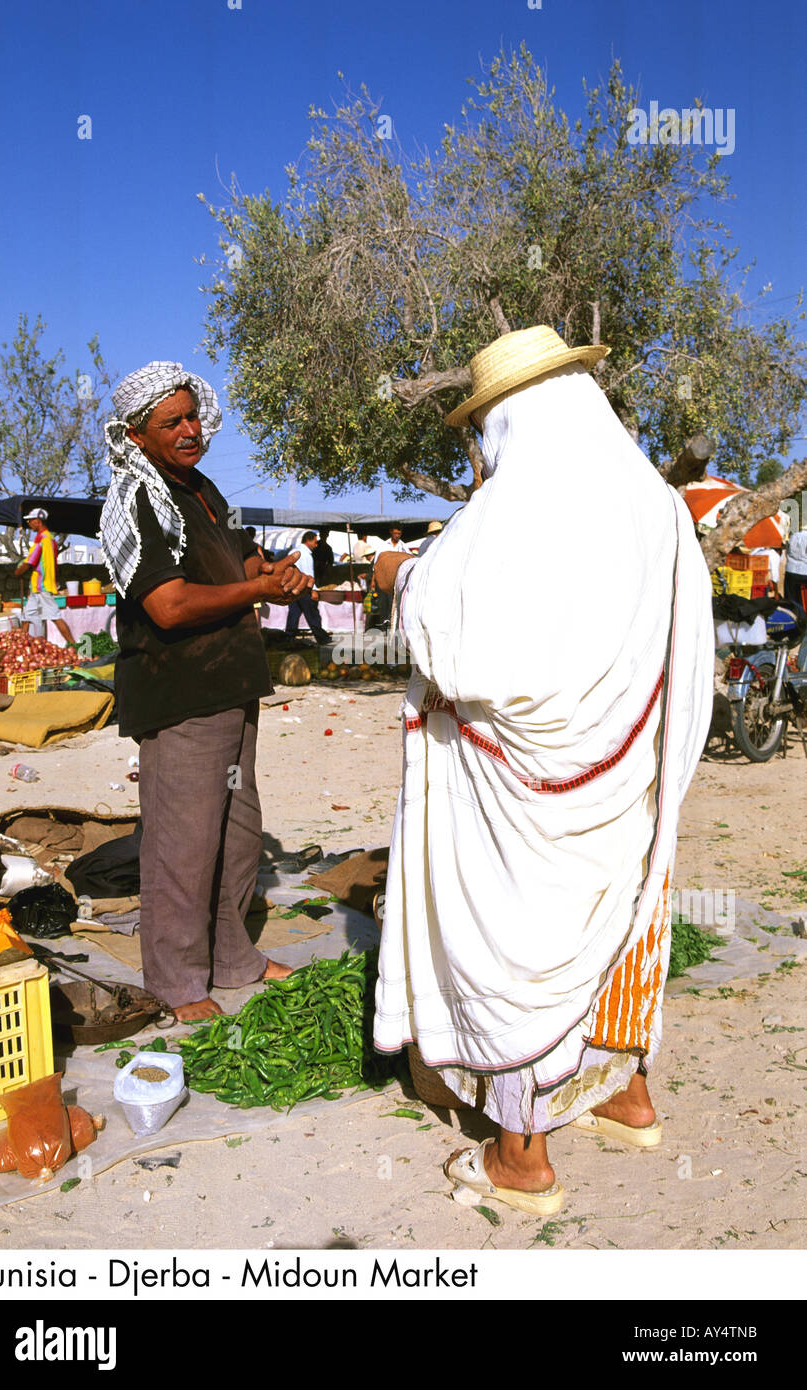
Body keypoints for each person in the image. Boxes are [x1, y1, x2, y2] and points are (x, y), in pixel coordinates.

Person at [373, 325, 713, 1214]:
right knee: (618, 918)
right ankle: (627, 1100)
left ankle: (521, 1159)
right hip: (627, 773)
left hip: (523, 791)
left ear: (511, 415)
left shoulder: (510, 510)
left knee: (522, 941)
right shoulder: (656, 503)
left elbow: (453, 639)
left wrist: (396, 574)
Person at [99, 360, 310, 1022]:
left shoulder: (201, 488)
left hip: (231, 686)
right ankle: (176, 980)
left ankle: (232, 958)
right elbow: (167, 605)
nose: (189, 430)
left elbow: (236, 557)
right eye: (172, 422)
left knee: (237, 832)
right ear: (137, 435)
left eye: (193, 416)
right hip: (180, 695)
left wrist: (274, 573)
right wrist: (256, 590)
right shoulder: (137, 500)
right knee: (183, 844)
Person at [14, 509, 77, 648]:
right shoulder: (50, 539)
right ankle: (21, 646)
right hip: (37, 587)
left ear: (38, 521)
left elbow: (30, 562)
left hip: (42, 585)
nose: (29, 523)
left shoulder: (41, 539)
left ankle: (73, 644)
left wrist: (18, 572)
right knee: (27, 617)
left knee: (54, 616)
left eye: (31, 520)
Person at [284, 531, 330, 645]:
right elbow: (308, 574)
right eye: (315, 542)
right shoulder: (305, 555)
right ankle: (322, 638)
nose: (316, 545)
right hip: (304, 588)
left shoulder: (292, 552)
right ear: (308, 540)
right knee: (312, 614)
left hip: (293, 588)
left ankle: (289, 637)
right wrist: (313, 590)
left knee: (294, 613)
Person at [784, 526, 807, 608]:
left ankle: (792, 611)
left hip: (791, 570)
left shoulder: (793, 536)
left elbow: (787, 551)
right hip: (805, 571)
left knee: (791, 597)